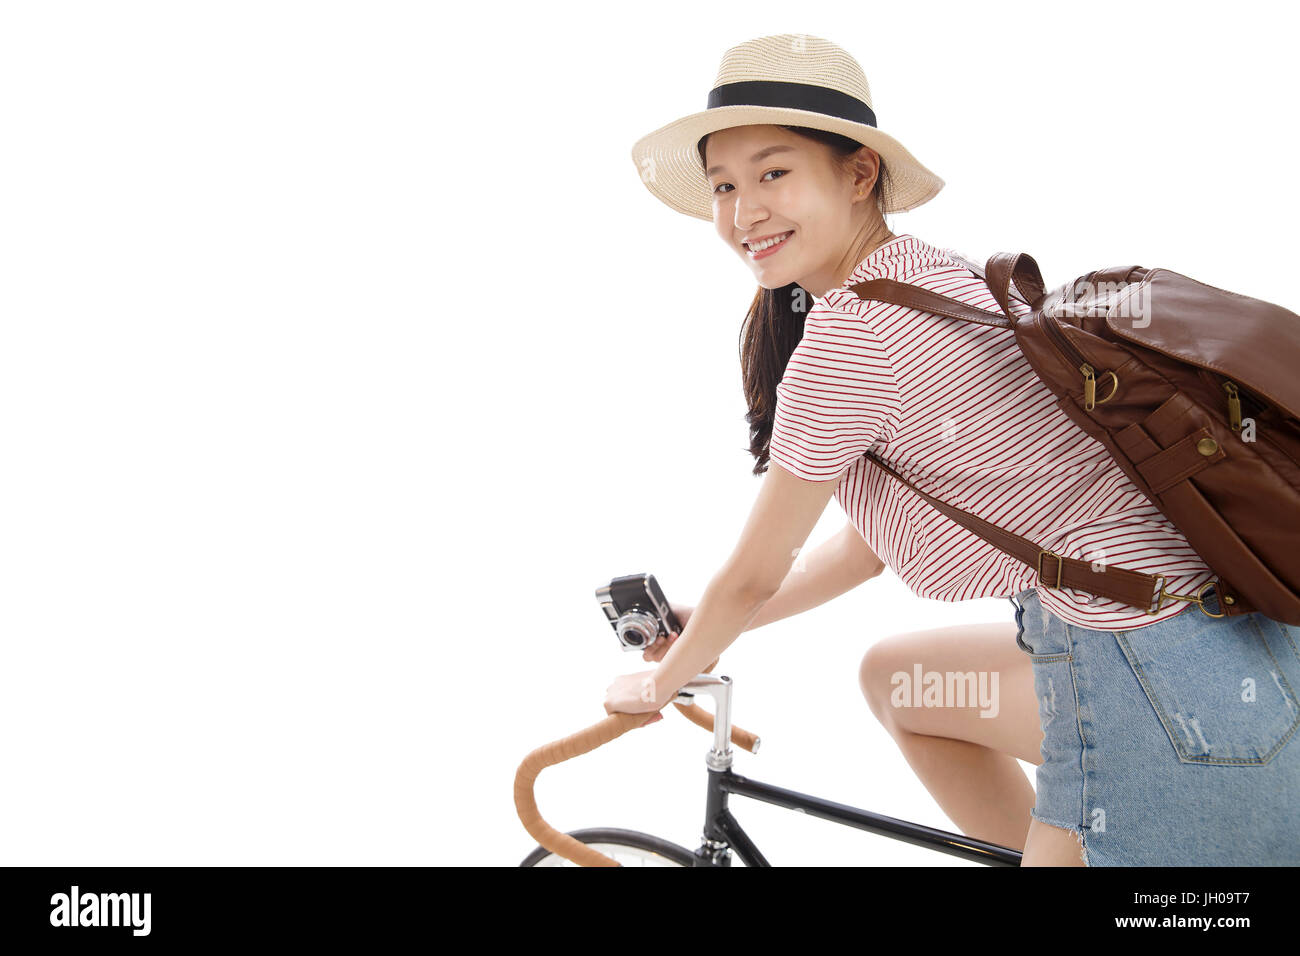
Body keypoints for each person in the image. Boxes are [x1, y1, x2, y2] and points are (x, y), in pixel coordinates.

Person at [604, 33, 1300, 866]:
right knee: (900, 682)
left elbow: (752, 571)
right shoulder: (942, 278)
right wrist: (702, 632)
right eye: (724, 185)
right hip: (1241, 662)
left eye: (773, 172)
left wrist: (668, 674)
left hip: (1152, 691)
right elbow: (869, 551)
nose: (743, 210)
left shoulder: (844, 341)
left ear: (859, 175)